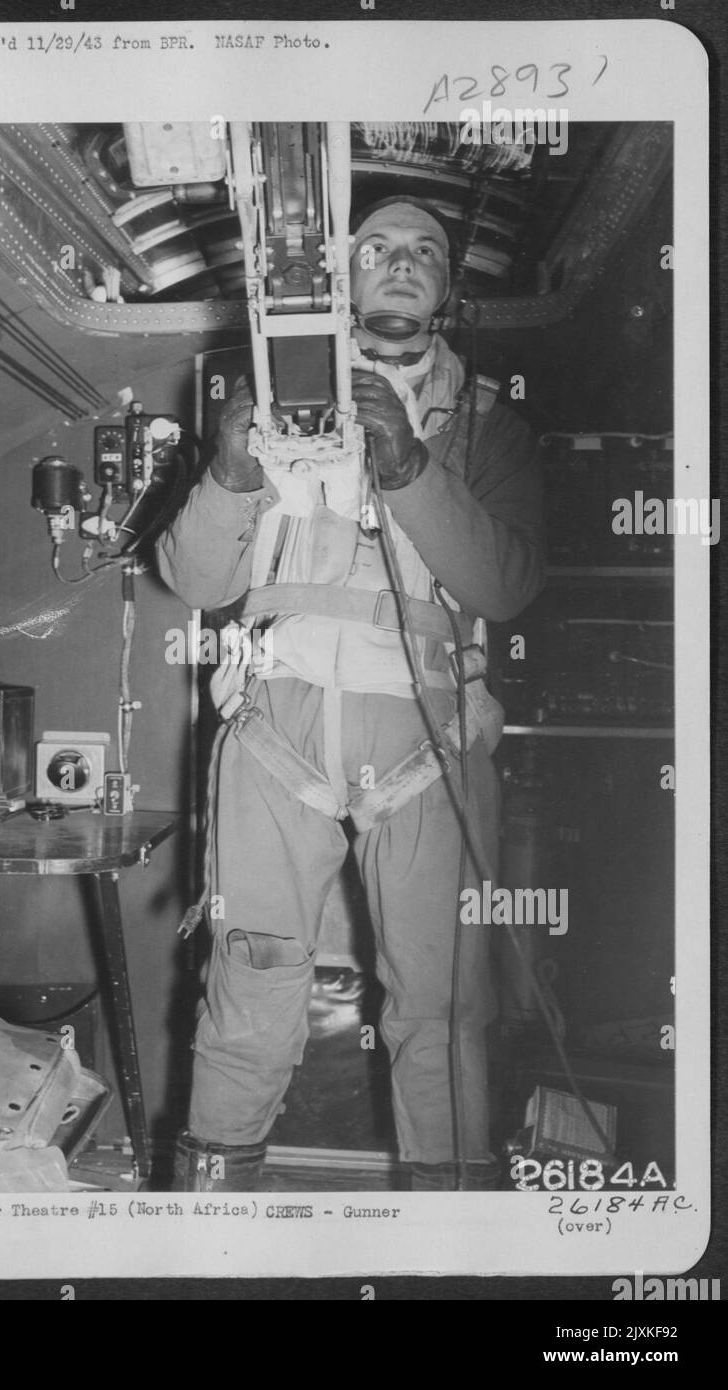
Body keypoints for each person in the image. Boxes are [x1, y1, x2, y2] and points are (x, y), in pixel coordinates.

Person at [158, 198, 545, 1191]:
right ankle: (207, 1226)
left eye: (423, 251)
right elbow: (196, 582)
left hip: (426, 741)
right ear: (341, 276)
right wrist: (231, 473)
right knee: (249, 975)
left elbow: (506, 583)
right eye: (375, 248)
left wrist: (411, 467)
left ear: (446, 287)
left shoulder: (489, 428)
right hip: (276, 731)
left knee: (444, 1001)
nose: (400, 264)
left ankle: (447, 1234)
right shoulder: (265, 405)